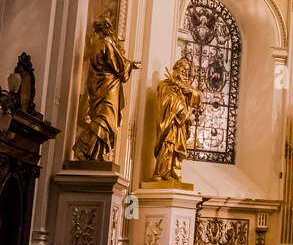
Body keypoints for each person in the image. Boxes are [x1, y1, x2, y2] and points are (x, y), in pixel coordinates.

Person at [74, 16, 138, 163]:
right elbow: (120, 67)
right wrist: (130, 65)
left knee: (102, 119)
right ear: (106, 28)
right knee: (106, 120)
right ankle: (83, 148)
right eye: (108, 26)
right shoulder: (106, 42)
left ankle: (96, 153)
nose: (111, 29)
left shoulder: (96, 44)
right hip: (108, 89)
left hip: (99, 86)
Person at [153, 57, 201, 181]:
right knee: (167, 145)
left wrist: (185, 89)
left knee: (178, 150)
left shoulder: (186, 88)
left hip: (181, 126)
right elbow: (166, 101)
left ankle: (174, 173)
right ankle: (161, 173)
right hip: (170, 123)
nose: (185, 73)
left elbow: (197, 97)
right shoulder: (165, 84)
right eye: (183, 70)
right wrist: (181, 111)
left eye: (187, 71)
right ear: (176, 69)